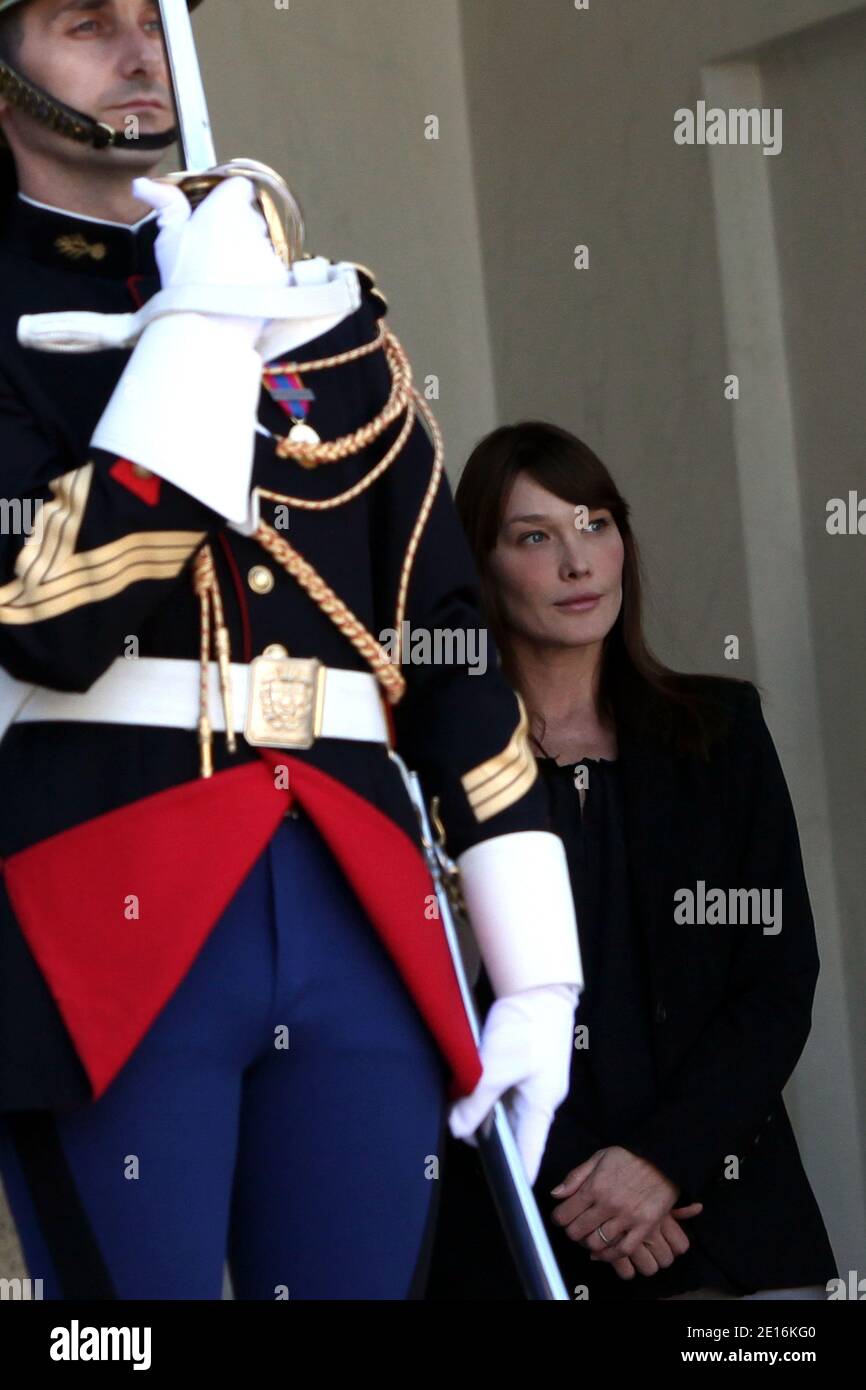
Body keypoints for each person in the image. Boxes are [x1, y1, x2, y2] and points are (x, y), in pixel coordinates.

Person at [0, 2, 583, 1300]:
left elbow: (445, 649)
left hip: (359, 902)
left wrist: (539, 966)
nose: (141, 50)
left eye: (156, 19)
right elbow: (53, 610)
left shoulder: (334, 318)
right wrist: (201, 329)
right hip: (109, 892)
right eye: (84, 24)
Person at [427, 421, 838, 1301]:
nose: (579, 562)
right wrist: (593, 1191)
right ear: (481, 567)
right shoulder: (435, 766)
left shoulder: (720, 732)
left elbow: (775, 981)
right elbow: (439, 1006)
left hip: (729, 1216)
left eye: (596, 523)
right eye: (535, 537)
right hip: (522, 1224)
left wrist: (661, 1163)